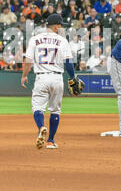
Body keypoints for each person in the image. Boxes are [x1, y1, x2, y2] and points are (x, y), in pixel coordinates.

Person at [21, 14, 82, 149]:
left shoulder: (34, 39)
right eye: (60, 25)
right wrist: (72, 77)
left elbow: (28, 61)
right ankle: (50, 141)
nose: (61, 28)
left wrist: (24, 76)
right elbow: (68, 62)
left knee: (37, 107)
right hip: (57, 78)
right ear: (56, 26)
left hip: (41, 77)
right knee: (55, 110)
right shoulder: (62, 41)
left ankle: (41, 127)